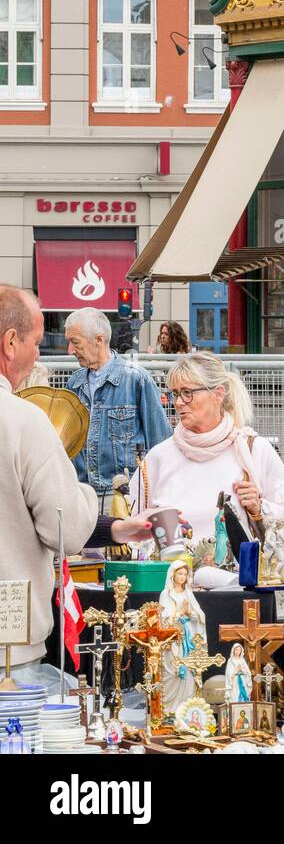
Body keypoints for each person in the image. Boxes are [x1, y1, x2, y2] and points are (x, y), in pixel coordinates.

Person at [0, 286, 97, 688]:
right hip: (9, 648)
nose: (39, 354)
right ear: (9, 341)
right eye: (36, 343)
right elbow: (66, 530)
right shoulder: (23, 421)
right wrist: (88, 497)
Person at [129, 351, 284, 545]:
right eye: (175, 393)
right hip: (171, 574)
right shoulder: (158, 457)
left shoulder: (254, 450)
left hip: (237, 574)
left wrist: (259, 508)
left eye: (188, 393)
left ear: (218, 394)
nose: (178, 402)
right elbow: (130, 526)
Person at [65, 307, 171, 507]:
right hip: (82, 496)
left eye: (75, 342)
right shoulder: (74, 383)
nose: (70, 350)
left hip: (125, 497)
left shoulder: (136, 380)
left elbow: (161, 442)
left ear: (99, 340)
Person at [158, 560, 206, 711]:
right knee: (173, 670)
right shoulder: (166, 594)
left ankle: (187, 708)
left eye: (185, 574)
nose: (183, 577)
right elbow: (164, 619)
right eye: (180, 573)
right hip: (172, 639)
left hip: (188, 636)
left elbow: (199, 616)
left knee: (189, 667)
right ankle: (170, 709)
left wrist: (189, 613)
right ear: (173, 575)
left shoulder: (188, 593)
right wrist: (180, 613)